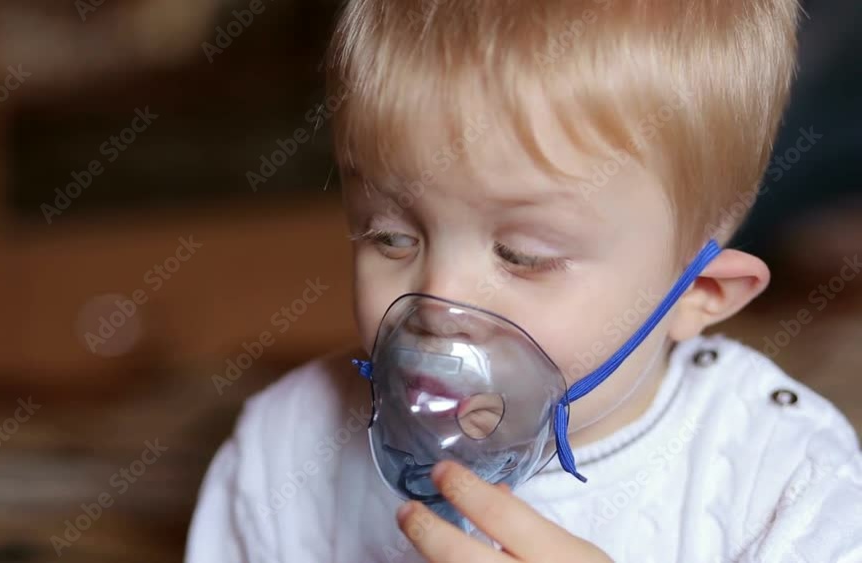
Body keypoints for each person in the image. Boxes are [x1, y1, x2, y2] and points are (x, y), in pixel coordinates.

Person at [187, 1, 862, 561]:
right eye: (391, 235)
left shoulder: (784, 482)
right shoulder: (287, 448)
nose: (440, 301)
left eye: (521, 254)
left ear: (695, 294)